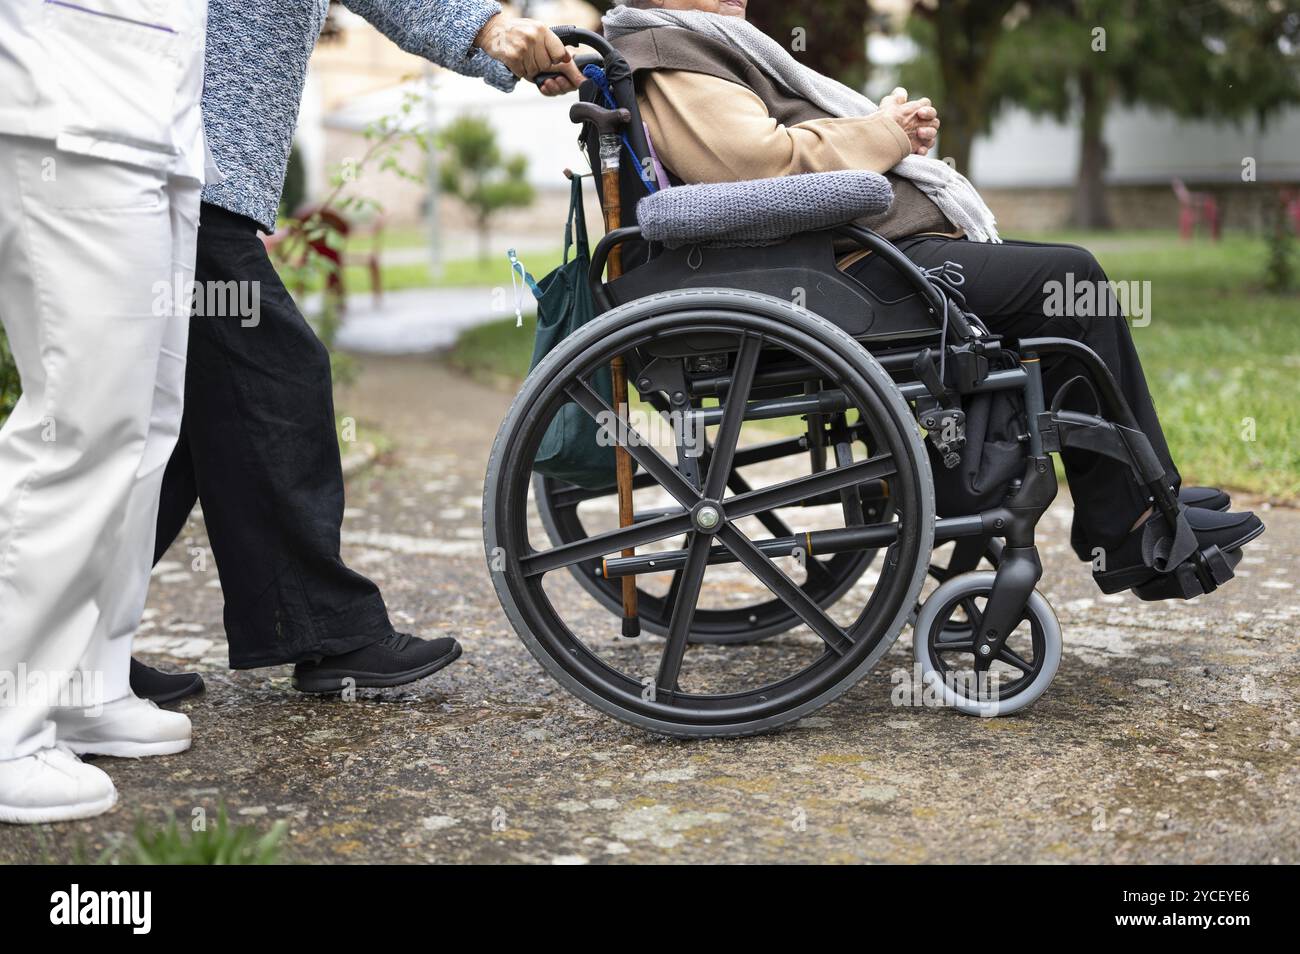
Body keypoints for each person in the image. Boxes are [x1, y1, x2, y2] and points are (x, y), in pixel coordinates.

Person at [599, 0, 1264, 589]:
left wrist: (886, 132)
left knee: (1060, 287)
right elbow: (762, 165)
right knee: (1070, 284)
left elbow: (769, 153)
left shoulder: (683, 44)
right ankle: (1132, 522)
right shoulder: (670, 54)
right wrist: (883, 136)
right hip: (840, 271)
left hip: (844, 260)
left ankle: (1140, 506)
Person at [130, 2, 586, 705]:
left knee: (186, 424)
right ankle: (328, 634)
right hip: (180, 176)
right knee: (275, 380)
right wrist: (488, 29)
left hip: (187, 176)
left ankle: (72, 639)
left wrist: (493, 45)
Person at [0, 0, 212, 823]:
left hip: (154, 113)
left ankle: (87, 679)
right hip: (66, 97)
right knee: (79, 426)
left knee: (144, 425)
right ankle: (8, 723)